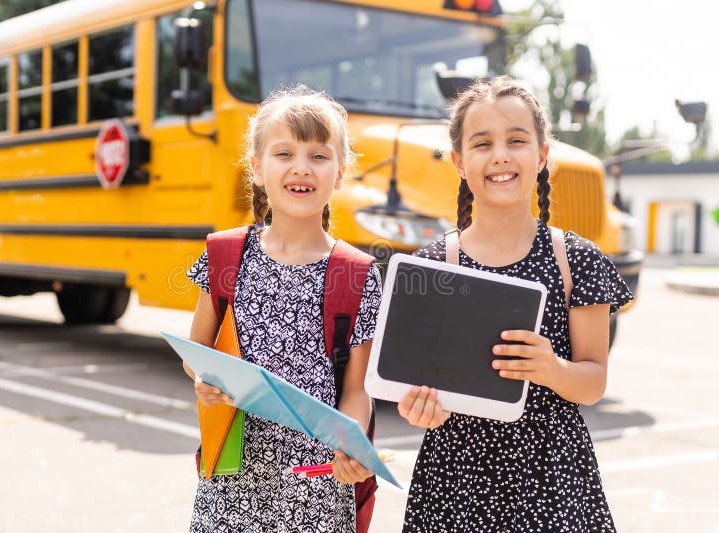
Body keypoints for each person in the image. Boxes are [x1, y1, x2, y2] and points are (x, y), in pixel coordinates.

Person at [398, 76, 633, 532]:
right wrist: (417, 407)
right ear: (459, 162)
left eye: (517, 140)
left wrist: (552, 369)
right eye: (482, 144)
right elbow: (412, 387)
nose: (501, 155)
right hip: (455, 484)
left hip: (554, 482)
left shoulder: (576, 260)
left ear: (543, 155)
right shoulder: (432, 265)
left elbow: (594, 382)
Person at [183, 86, 382, 533]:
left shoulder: (357, 273)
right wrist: (205, 381)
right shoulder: (225, 254)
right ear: (256, 168)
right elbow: (196, 352)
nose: (301, 168)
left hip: (317, 491)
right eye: (284, 153)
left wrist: (352, 445)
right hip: (230, 488)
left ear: (340, 172)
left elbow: (356, 389)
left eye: (318, 155)